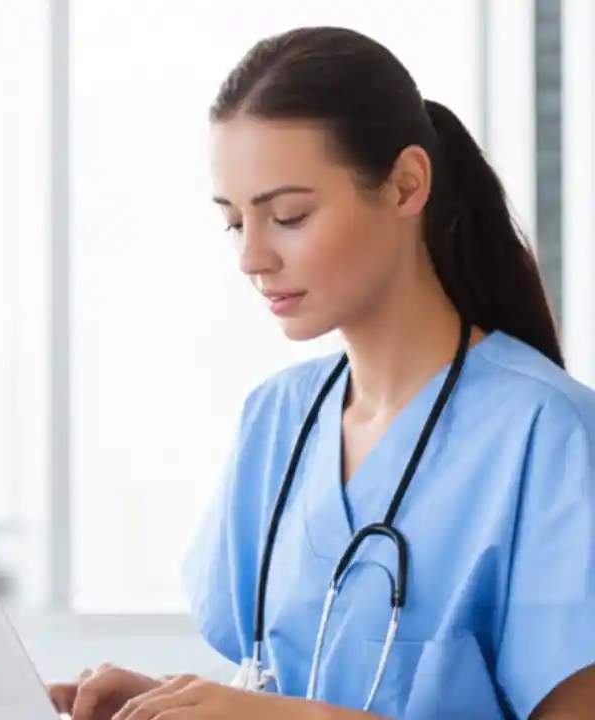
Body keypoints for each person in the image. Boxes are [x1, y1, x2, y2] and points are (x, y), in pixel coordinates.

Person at [48, 26, 595, 720]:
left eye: (288, 215)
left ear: (405, 185)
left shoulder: (550, 434)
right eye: (233, 222)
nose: (252, 257)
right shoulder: (277, 419)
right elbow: (282, 685)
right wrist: (171, 703)